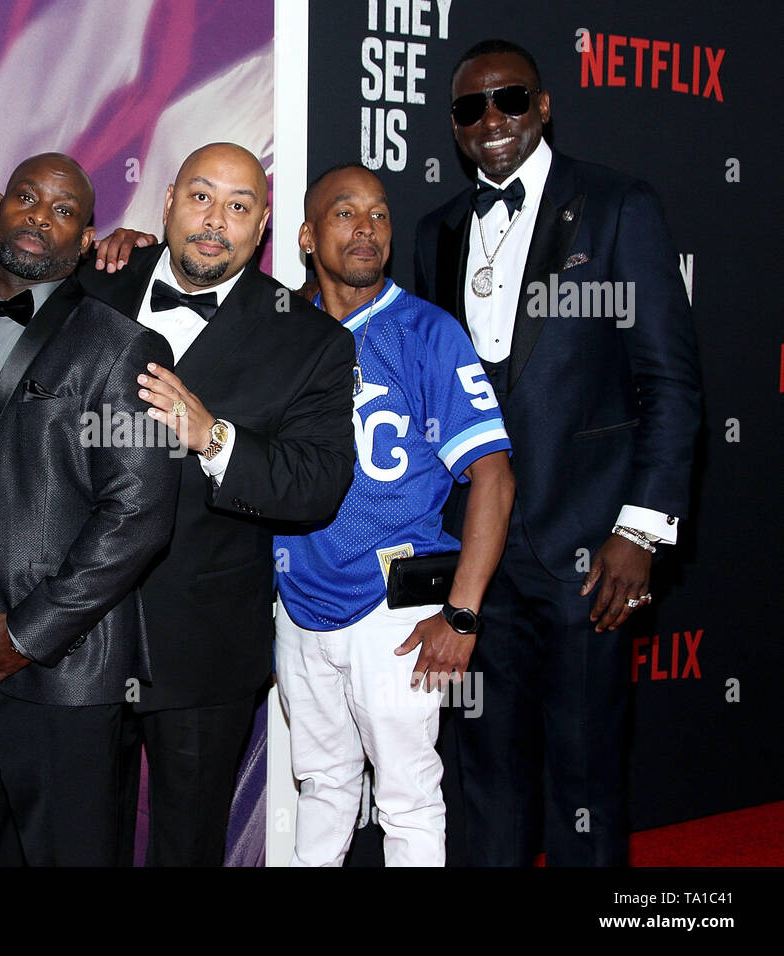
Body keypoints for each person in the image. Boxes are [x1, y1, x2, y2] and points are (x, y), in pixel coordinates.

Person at [414, 39, 701, 866]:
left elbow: (670, 384)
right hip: (476, 560)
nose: (492, 119)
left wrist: (639, 531)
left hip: (588, 551)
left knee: (585, 787)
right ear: (456, 127)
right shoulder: (439, 232)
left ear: (545, 106)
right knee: (487, 785)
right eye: (471, 108)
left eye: (510, 99)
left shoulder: (617, 205)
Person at [78, 143, 358, 866]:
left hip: (205, 643)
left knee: (188, 846)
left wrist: (214, 436)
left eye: (238, 207)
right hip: (72, 627)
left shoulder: (310, 339)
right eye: (200, 197)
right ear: (166, 201)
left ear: (262, 226)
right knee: (72, 841)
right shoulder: (88, 287)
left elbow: (316, 484)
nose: (215, 221)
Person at [0, 153, 178, 866]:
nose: (40, 216)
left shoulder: (124, 347)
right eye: (28, 198)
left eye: (63, 210)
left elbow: (137, 515)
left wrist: (30, 632)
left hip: (63, 674)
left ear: (87, 240)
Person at [274, 164, 514, 866]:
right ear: (307, 236)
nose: (367, 228)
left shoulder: (425, 332)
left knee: (407, 799)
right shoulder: (280, 330)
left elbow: (493, 478)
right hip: (297, 603)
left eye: (379, 214)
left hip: (394, 607)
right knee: (321, 784)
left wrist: (463, 613)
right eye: (345, 213)